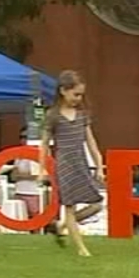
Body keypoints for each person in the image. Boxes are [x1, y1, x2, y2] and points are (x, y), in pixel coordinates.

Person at [37, 70, 105, 257]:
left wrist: (99, 165)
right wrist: (42, 169)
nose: (78, 98)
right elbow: (44, 144)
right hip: (65, 165)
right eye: (75, 94)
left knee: (97, 204)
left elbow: (91, 142)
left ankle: (61, 226)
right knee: (70, 206)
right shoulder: (53, 116)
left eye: (81, 94)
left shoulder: (82, 115)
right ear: (63, 91)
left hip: (81, 163)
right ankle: (81, 249)